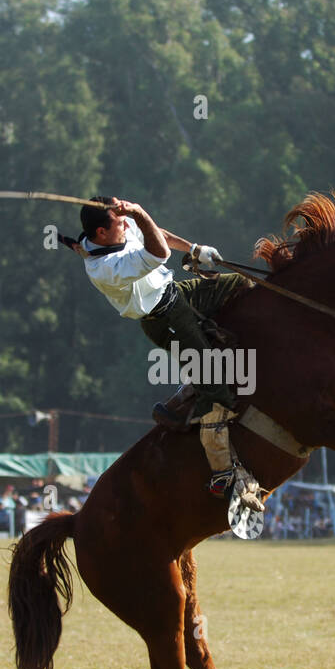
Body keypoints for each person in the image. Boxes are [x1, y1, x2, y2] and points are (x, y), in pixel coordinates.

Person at [67, 196, 256, 503]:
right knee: (216, 392)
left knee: (239, 285)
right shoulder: (104, 268)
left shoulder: (114, 227)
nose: (126, 223)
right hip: (164, 320)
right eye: (119, 222)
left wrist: (193, 249)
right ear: (101, 233)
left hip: (176, 293)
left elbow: (155, 232)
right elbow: (159, 251)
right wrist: (139, 212)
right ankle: (223, 474)